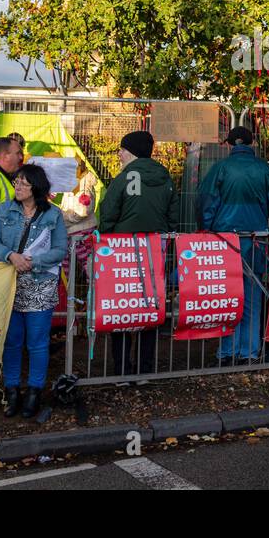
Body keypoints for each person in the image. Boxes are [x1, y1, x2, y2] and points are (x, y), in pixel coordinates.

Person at [198, 126, 269, 363]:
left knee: (227, 297)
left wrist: (209, 227)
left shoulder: (220, 168)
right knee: (252, 296)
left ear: (228, 145)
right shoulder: (264, 169)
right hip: (257, 240)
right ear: (252, 144)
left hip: (225, 241)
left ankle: (227, 351)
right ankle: (249, 351)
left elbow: (205, 203)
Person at [0, 163, 67, 418]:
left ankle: (34, 391)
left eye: (23, 183)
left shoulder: (53, 215)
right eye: (16, 182)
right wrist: (11, 256)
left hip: (40, 283)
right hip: (9, 283)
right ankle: (12, 391)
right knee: (11, 341)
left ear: (36, 187)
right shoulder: (5, 210)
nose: (17, 187)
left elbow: (59, 249)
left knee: (37, 342)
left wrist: (34, 262)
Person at [97, 130, 177, 378]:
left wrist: (108, 239)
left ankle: (122, 370)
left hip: (123, 251)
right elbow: (173, 217)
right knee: (151, 305)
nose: (119, 154)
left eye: (122, 149)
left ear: (130, 151)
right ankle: (145, 369)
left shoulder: (123, 178)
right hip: (156, 249)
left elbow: (108, 213)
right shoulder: (166, 177)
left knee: (123, 305)